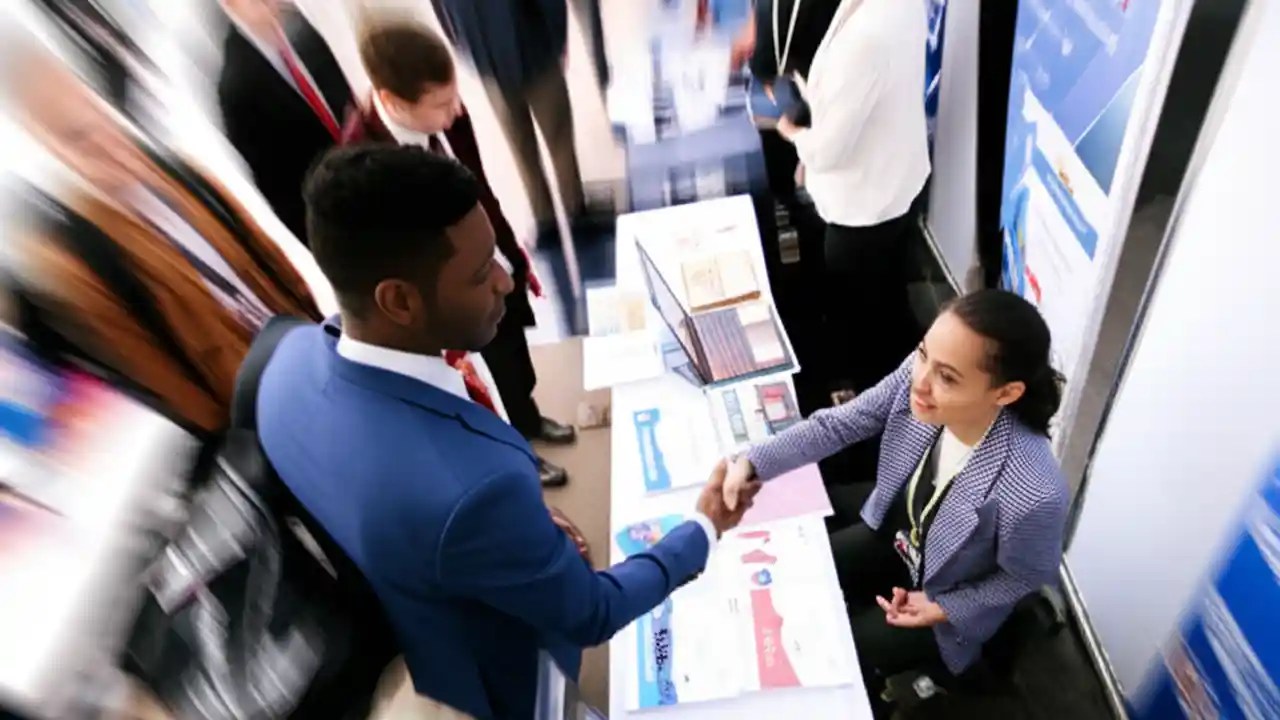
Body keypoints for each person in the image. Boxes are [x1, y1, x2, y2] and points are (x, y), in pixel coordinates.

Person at [256, 145, 762, 719]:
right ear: (398, 299)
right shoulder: (474, 491)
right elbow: (591, 610)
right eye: (479, 274)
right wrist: (704, 525)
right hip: (501, 682)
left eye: (496, 255)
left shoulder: (286, 361)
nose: (506, 281)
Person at [721, 289, 1069, 707]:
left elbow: (1025, 579)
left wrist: (943, 607)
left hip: (946, 596)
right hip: (898, 533)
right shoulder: (924, 374)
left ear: (1005, 393)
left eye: (947, 377)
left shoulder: (1033, 491)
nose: (920, 383)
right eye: (923, 354)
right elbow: (840, 425)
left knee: (830, 652)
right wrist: (753, 463)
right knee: (792, 580)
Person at [9, 40, 321, 434]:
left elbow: (266, 253)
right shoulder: (84, 265)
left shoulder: (180, 171)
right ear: (50, 150)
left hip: (308, 347)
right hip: (264, 413)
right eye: (79, 138)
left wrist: (321, 328)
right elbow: (174, 389)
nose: (108, 142)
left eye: (100, 115)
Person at [348, 19, 575, 487]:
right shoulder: (366, 158)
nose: (456, 111)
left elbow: (481, 188)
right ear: (393, 102)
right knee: (482, 378)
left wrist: (510, 253)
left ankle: (528, 419)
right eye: (441, 104)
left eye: (454, 96)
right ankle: (515, 453)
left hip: (487, 262)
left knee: (512, 351)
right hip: (444, 288)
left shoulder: (451, 116)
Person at [773, 0, 931, 400]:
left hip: (861, 205)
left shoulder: (865, 37)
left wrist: (794, 135)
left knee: (863, 320)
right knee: (891, 302)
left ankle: (881, 407)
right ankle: (912, 387)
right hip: (894, 183)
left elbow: (828, 151)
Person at [429, 0, 583, 242]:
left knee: (523, 144)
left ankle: (546, 217)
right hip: (530, 47)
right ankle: (571, 212)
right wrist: (559, 41)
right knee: (555, 140)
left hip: (493, 54)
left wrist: (463, 46)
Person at [217, 0, 356, 245]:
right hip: (344, 212)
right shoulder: (238, 88)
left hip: (373, 164)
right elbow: (279, 191)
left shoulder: (301, 25)